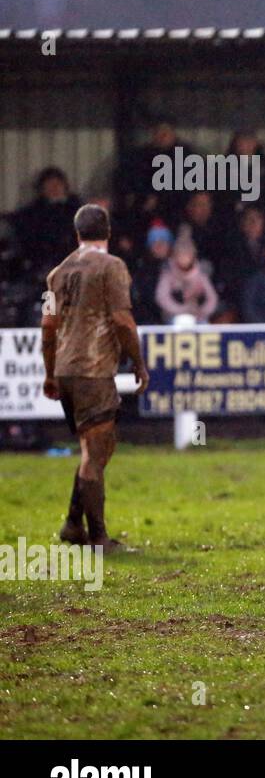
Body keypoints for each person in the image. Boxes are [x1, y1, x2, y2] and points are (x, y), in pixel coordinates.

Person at [40, 204, 148, 551]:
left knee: (98, 448)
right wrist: (139, 363)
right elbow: (122, 321)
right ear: (109, 233)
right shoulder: (112, 266)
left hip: (67, 371)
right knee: (94, 452)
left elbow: (47, 326)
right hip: (94, 369)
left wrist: (50, 372)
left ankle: (73, 524)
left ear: (77, 234)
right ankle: (98, 538)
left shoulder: (56, 274)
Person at [155, 238, 219, 324]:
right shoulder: (168, 273)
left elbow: (212, 298)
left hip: (199, 316)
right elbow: (162, 297)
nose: (184, 258)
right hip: (173, 316)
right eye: (181, 255)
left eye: (187, 255)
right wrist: (180, 310)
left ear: (193, 256)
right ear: (175, 256)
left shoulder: (201, 274)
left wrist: (203, 311)